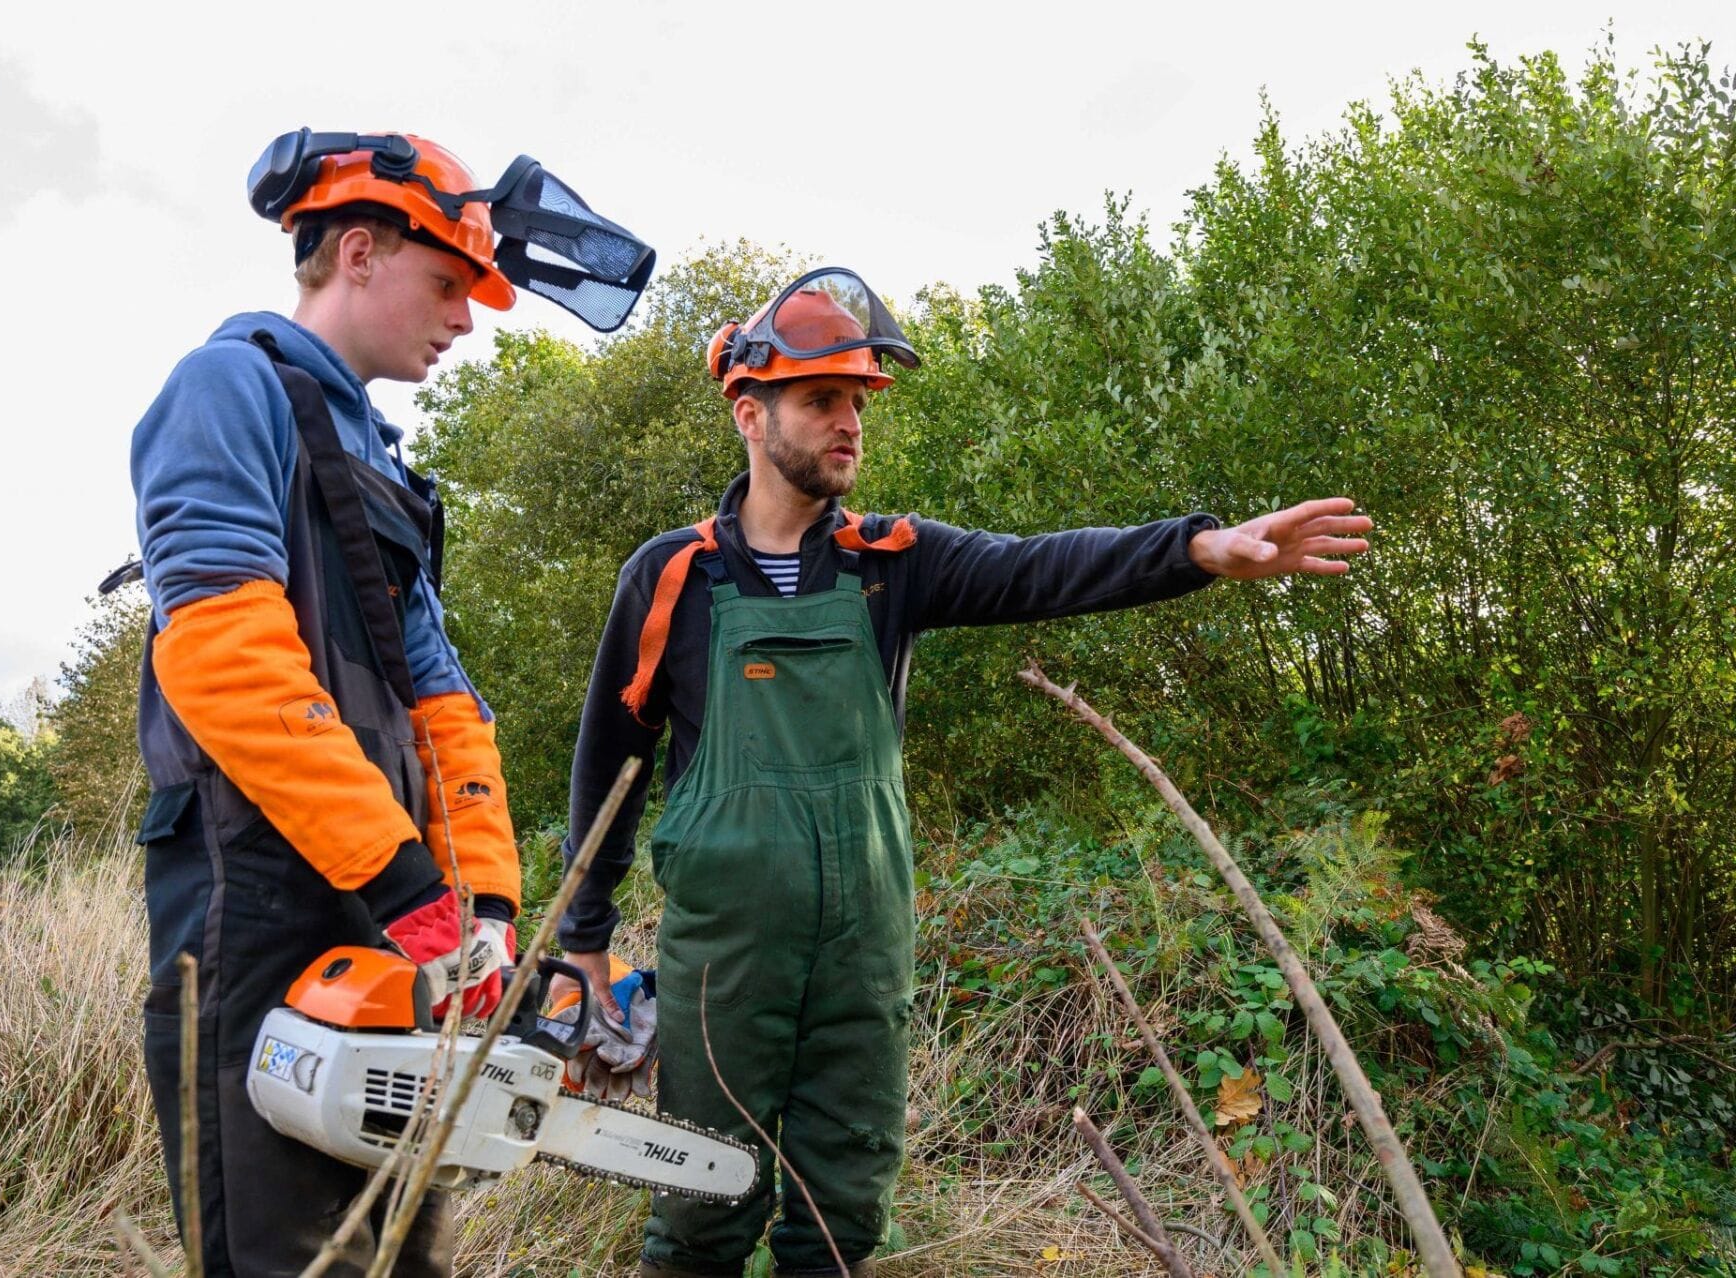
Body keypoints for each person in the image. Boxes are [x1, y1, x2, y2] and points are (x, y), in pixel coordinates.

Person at [554, 268, 1373, 1277]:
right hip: (723, 957)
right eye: (822, 400)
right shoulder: (672, 576)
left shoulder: (891, 561)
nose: (849, 421)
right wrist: (584, 940)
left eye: (858, 401)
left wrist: (1199, 550)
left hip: (862, 948)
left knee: (842, 1220)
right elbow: (609, 768)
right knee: (700, 1212)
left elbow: (1044, 568)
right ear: (748, 412)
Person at [126, 129, 650, 1276]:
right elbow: (222, 654)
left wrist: (487, 908)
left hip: (381, 889)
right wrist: (409, 884)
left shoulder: (388, 467)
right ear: (358, 251)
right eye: (450, 284)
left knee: (399, 1234)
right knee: (279, 1242)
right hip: (253, 887)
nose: (466, 319)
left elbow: (447, 711)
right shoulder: (228, 388)